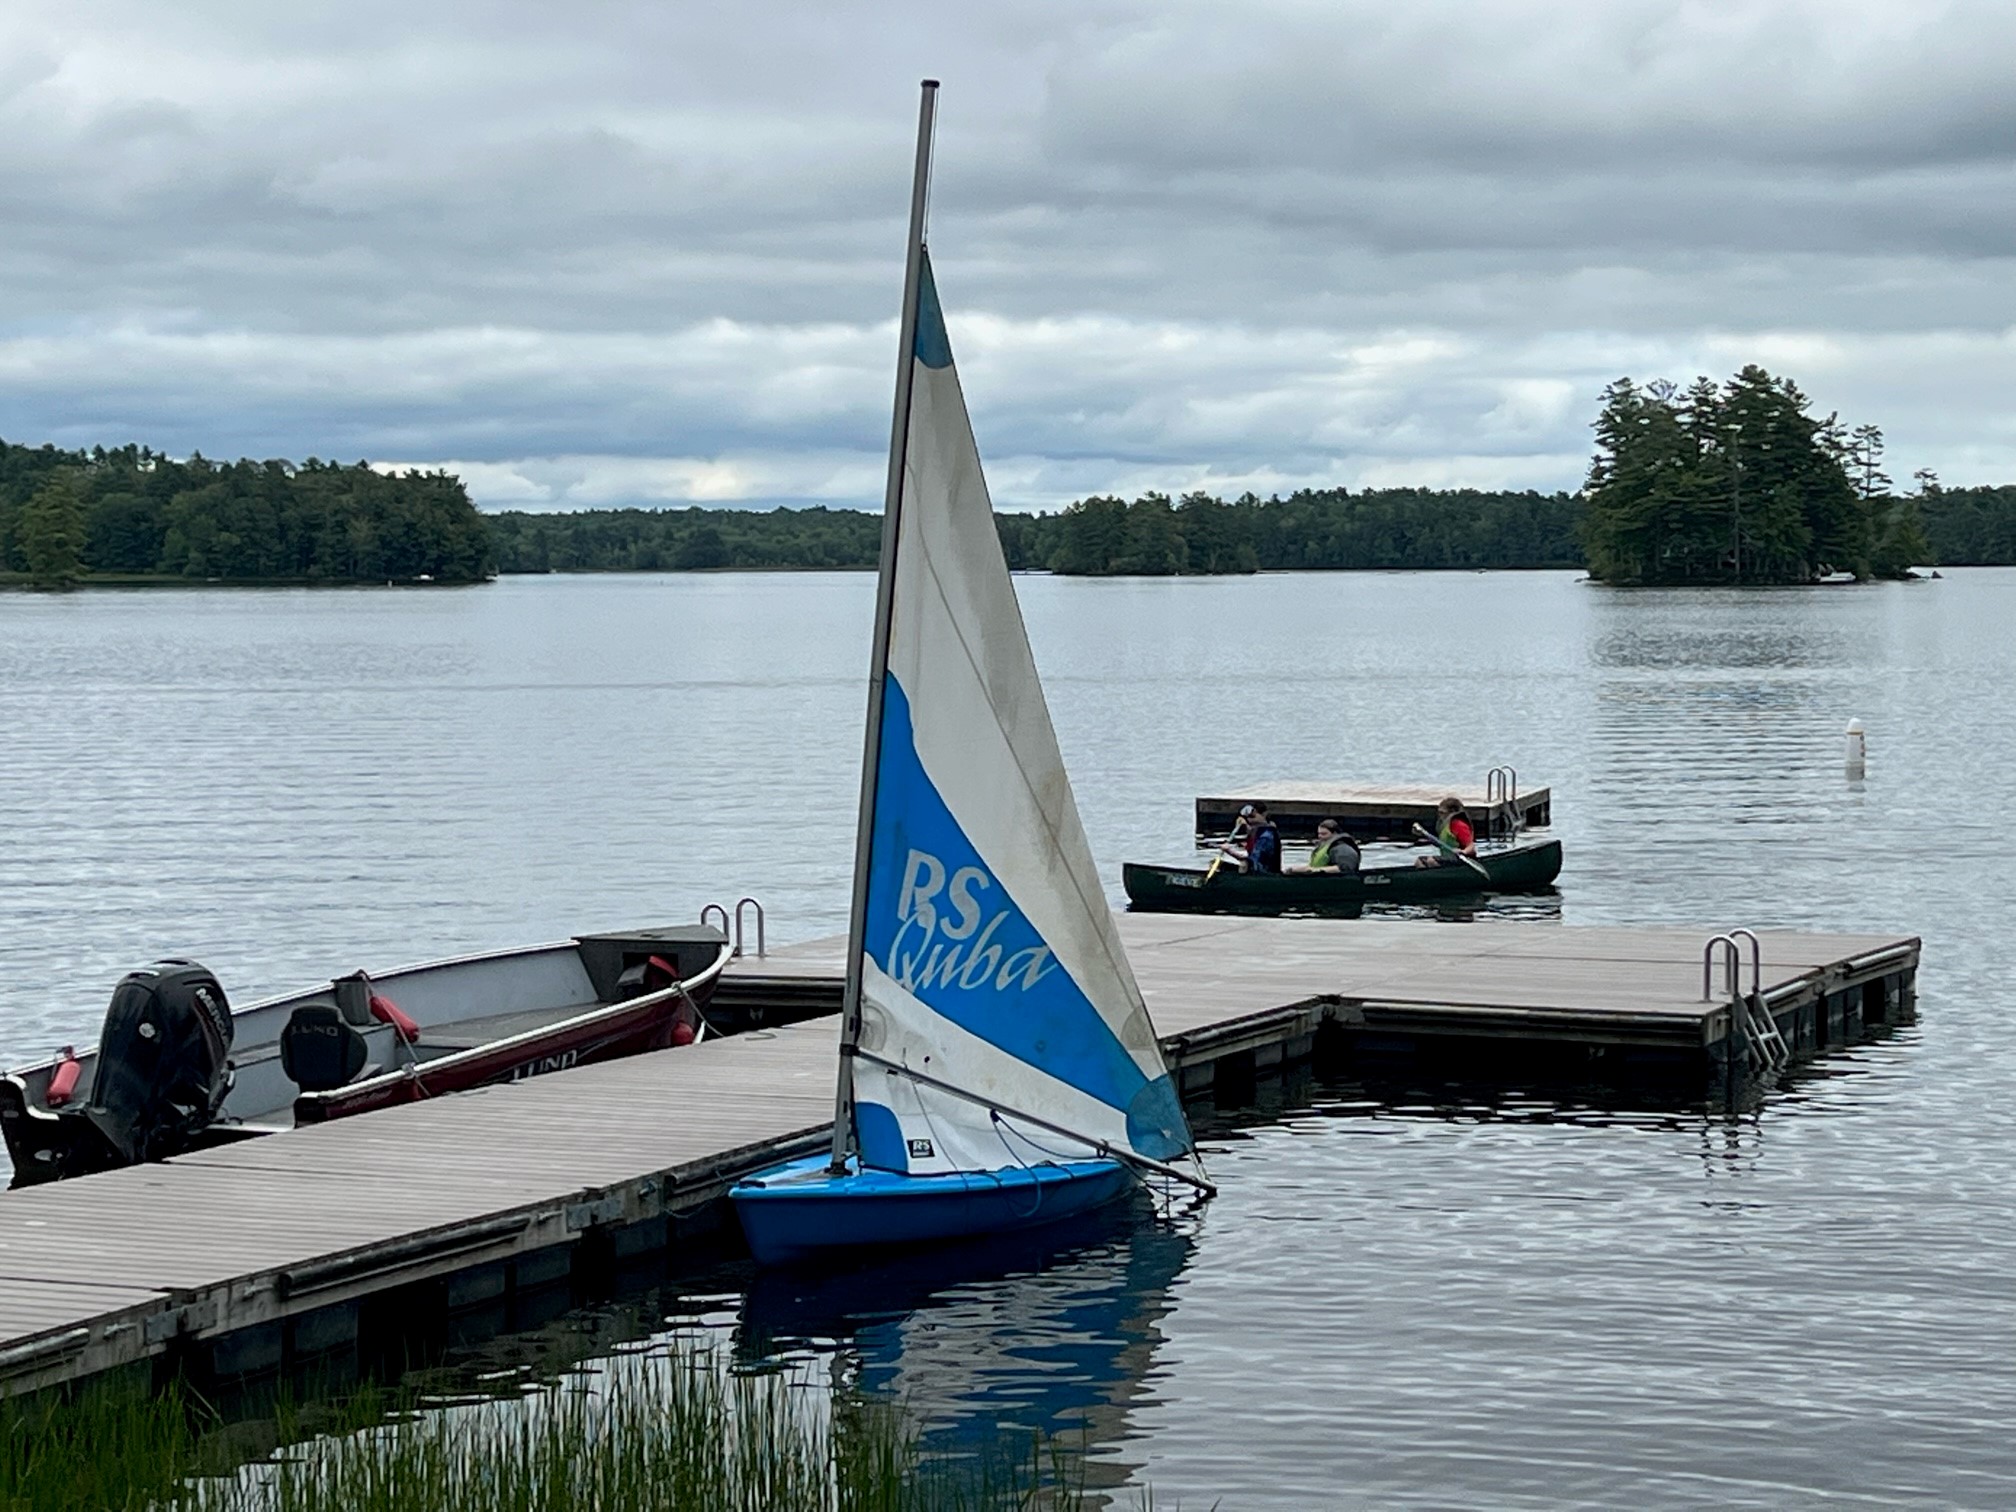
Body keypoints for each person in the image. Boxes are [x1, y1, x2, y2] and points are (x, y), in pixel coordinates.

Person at [1415, 797, 1477, 867]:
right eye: (1439, 812)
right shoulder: (1445, 825)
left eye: (1442, 813)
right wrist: (1428, 840)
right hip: (1448, 858)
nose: (1440, 816)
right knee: (1420, 861)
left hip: (1462, 860)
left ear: (1452, 812)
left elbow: (1471, 847)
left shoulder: (1458, 825)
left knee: (1431, 861)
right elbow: (1443, 844)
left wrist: (1463, 851)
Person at [1228, 802, 1282, 875]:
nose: (1249, 819)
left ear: (1264, 814)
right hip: (1258, 869)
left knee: (1243, 864)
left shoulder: (1266, 836)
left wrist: (1229, 851)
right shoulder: (1257, 832)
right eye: (1247, 817)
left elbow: (1253, 861)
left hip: (1263, 872)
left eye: (1252, 816)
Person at [1290, 818, 1360, 874]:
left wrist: (1312, 870)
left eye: (1324, 834)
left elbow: (1345, 868)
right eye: (1319, 834)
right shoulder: (1324, 846)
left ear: (1334, 833)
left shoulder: (1342, 848)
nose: (1320, 836)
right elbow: (1313, 867)